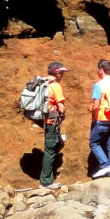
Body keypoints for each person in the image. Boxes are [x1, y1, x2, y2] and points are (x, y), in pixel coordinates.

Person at [88, 59, 110, 179]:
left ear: (101, 70)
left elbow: (96, 105)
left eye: (98, 69)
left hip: (102, 119)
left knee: (94, 143)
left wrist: (93, 117)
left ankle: (105, 165)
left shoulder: (99, 85)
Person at [40, 61, 68, 189]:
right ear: (57, 73)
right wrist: (63, 114)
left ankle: (47, 177)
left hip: (45, 119)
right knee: (50, 150)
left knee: (54, 145)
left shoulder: (43, 82)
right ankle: (46, 182)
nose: (62, 75)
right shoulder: (55, 85)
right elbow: (61, 107)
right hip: (52, 121)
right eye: (61, 73)